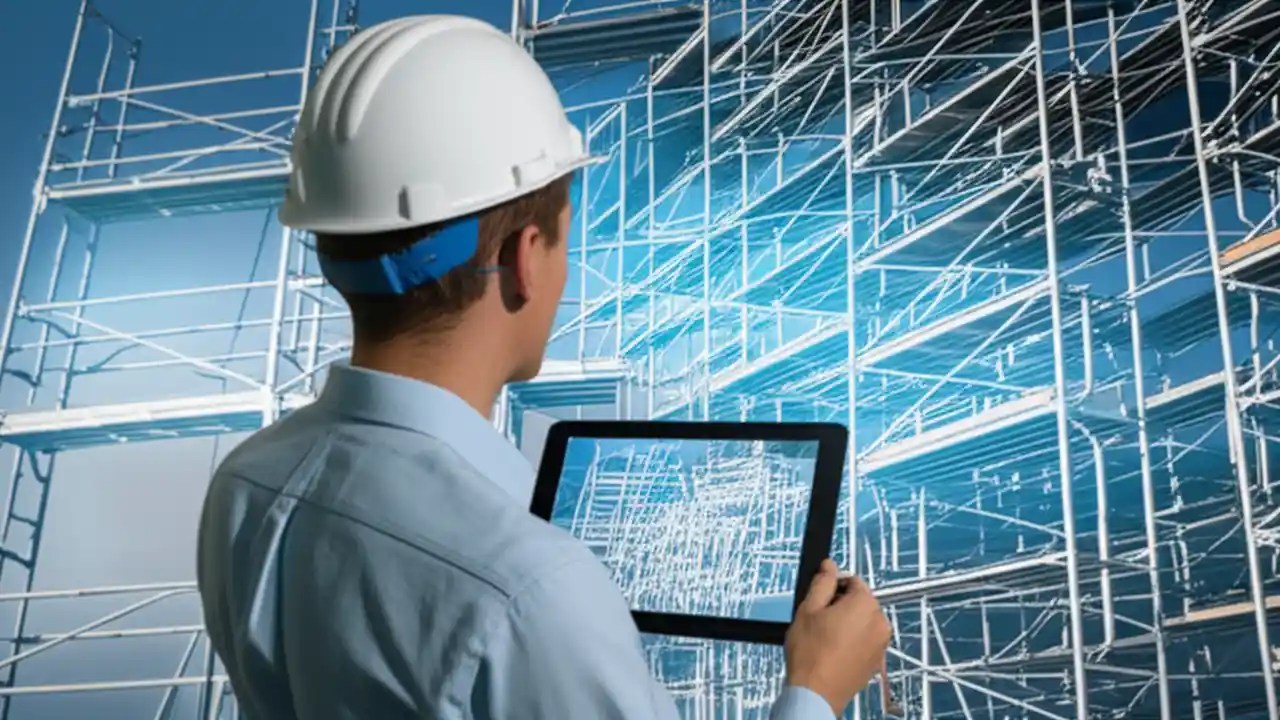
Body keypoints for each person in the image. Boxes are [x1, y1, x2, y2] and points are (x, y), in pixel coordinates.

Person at [196, 14, 891, 720]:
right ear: (526, 259)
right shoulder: (534, 588)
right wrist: (817, 689)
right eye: (565, 241)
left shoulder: (244, 484)